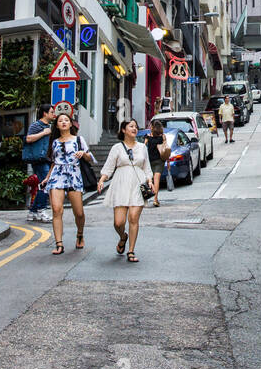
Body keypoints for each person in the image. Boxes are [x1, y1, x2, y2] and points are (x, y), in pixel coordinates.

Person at [96, 119, 151, 263]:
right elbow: (109, 167)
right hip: (120, 184)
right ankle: (123, 237)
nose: (134, 128)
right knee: (118, 223)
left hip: (138, 184)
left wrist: (150, 181)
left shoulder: (142, 147)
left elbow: (147, 167)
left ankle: (131, 251)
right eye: (131, 126)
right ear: (123, 130)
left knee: (133, 218)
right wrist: (102, 180)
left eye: (136, 126)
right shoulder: (117, 148)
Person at [42, 110, 91, 254]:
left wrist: (83, 154)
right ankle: (59, 244)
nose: (63, 122)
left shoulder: (78, 140)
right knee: (56, 210)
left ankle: (80, 234)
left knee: (79, 213)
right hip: (57, 176)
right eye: (60, 121)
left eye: (66, 120)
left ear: (70, 124)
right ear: (56, 126)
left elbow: (89, 158)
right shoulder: (54, 142)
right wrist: (47, 177)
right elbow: (53, 162)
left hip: (74, 175)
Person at [24, 104, 57, 222]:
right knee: (46, 184)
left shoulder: (50, 126)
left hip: (46, 159)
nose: (54, 114)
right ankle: (41, 210)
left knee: (44, 184)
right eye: (52, 112)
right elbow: (28, 139)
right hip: (38, 159)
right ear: (45, 113)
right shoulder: (36, 125)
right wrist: (43, 133)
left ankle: (33, 211)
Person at [146, 119, 170, 207]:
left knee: (148, 179)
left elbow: (143, 148)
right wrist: (168, 161)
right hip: (160, 160)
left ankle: (145, 197)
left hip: (149, 160)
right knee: (156, 180)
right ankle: (155, 199)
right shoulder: (163, 137)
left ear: (152, 127)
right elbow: (166, 149)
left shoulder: (148, 136)